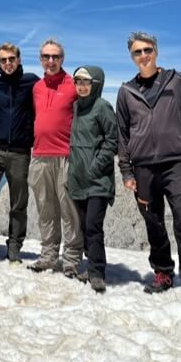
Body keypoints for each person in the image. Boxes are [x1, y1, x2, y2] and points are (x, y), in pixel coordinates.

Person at [116, 31, 181, 307]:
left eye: (147, 50)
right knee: (153, 222)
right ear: (131, 57)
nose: (143, 56)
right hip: (143, 168)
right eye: (137, 52)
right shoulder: (126, 92)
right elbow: (122, 136)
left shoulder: (178, 81)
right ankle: (163, 273)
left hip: (175, 165)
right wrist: (126, 171)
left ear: (156, 51)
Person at [0, 42, 39, 264]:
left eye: (12, 59)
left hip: (21, 151)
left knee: (18, 203)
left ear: (19, 59)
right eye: (3, 60)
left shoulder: (31, 81)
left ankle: (14, 249)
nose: (8, 63)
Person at [28, 38, 82, 276]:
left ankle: (70, 259)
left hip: (65, 156)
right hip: (39, 156)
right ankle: (48, 255)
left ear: (62, 59)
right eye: (46, 57)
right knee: (45, 210)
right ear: (41, 59)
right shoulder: (37, 88)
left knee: (69, 210)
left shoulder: (73, 85)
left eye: (55, 57)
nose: (51, 61)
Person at [66, 66, 117, 294]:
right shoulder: (76, 106)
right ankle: (91, 266)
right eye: (78, 81)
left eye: (86, 81)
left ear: (96, 83)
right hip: (79, 179)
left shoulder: (102, 107)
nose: (82, 86)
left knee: (93, 226)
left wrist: (96, 166)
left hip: (98, 180)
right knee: (84, 227)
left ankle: (97, 272)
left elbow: (112, 140)